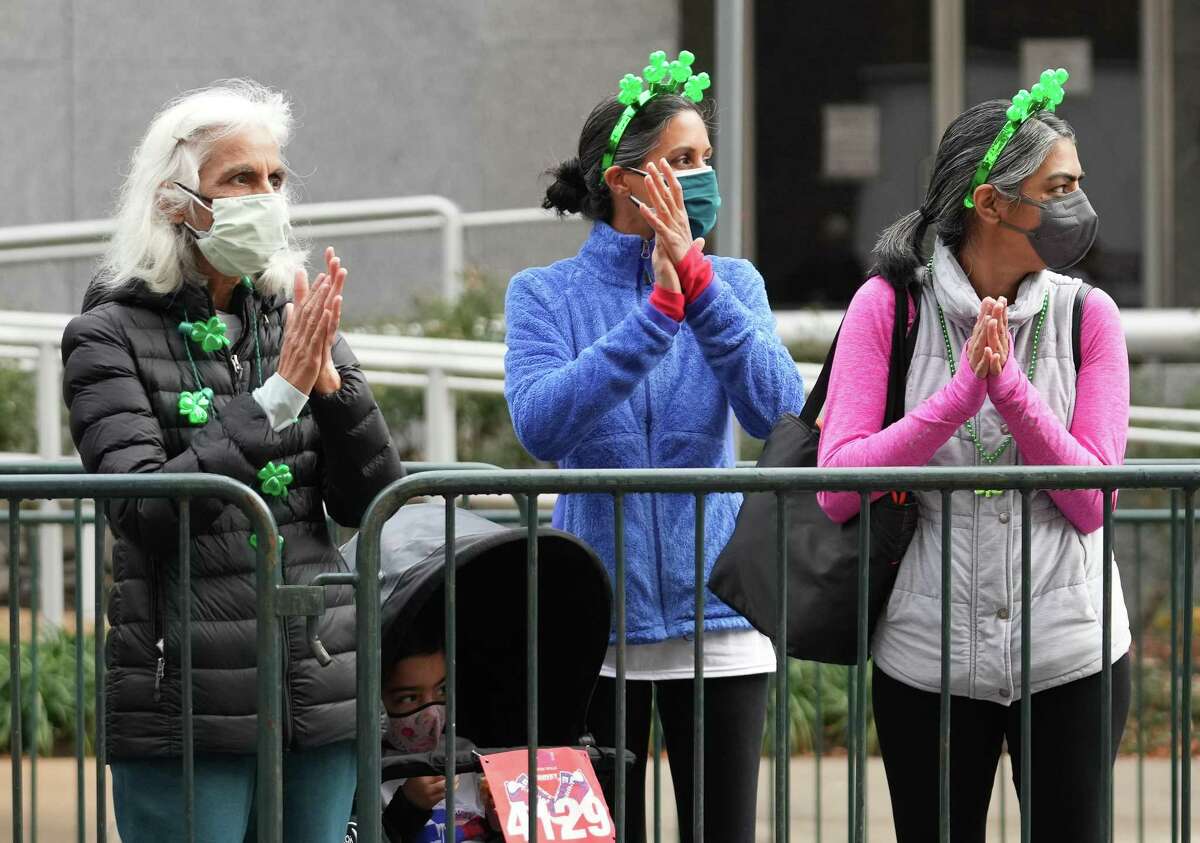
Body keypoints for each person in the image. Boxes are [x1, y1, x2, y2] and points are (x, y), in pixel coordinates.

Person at [61, 80, 404, 842]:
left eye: (275, 177)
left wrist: (332, 391)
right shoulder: (107, 334)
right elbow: (145, 509)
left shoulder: (292, 315)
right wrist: (275, 401)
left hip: (316, 686)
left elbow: (374, 498)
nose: (266, 197)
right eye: (240, 178)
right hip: (187, 699)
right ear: (176, 201)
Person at [816, 69, 1130, 841]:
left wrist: (1010, 390)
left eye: (1078, 183)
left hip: (1071, 652)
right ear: (991, 202)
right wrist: (956, 398)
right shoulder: (887, 305)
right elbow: (837, 484)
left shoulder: (1089, 316)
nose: (1079, 205)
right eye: (1059, 188)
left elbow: (1094, 501)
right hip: (927, 659)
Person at [503, 50, 804, 842]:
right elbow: (540, 424)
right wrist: (653, 319)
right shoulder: (543, 294)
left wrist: (698, 291)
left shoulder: (736, 281)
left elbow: (780, 412)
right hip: (593, 623)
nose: (703, 176)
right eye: (683, 159)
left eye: (706, 158)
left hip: (724, 617)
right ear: (622, 179)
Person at [381, 616, 498, 842]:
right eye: (409, 698)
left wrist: (500, 821)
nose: (431, 713)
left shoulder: (468, 754)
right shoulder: (366, 774)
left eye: (441, 690)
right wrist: (408, 806)